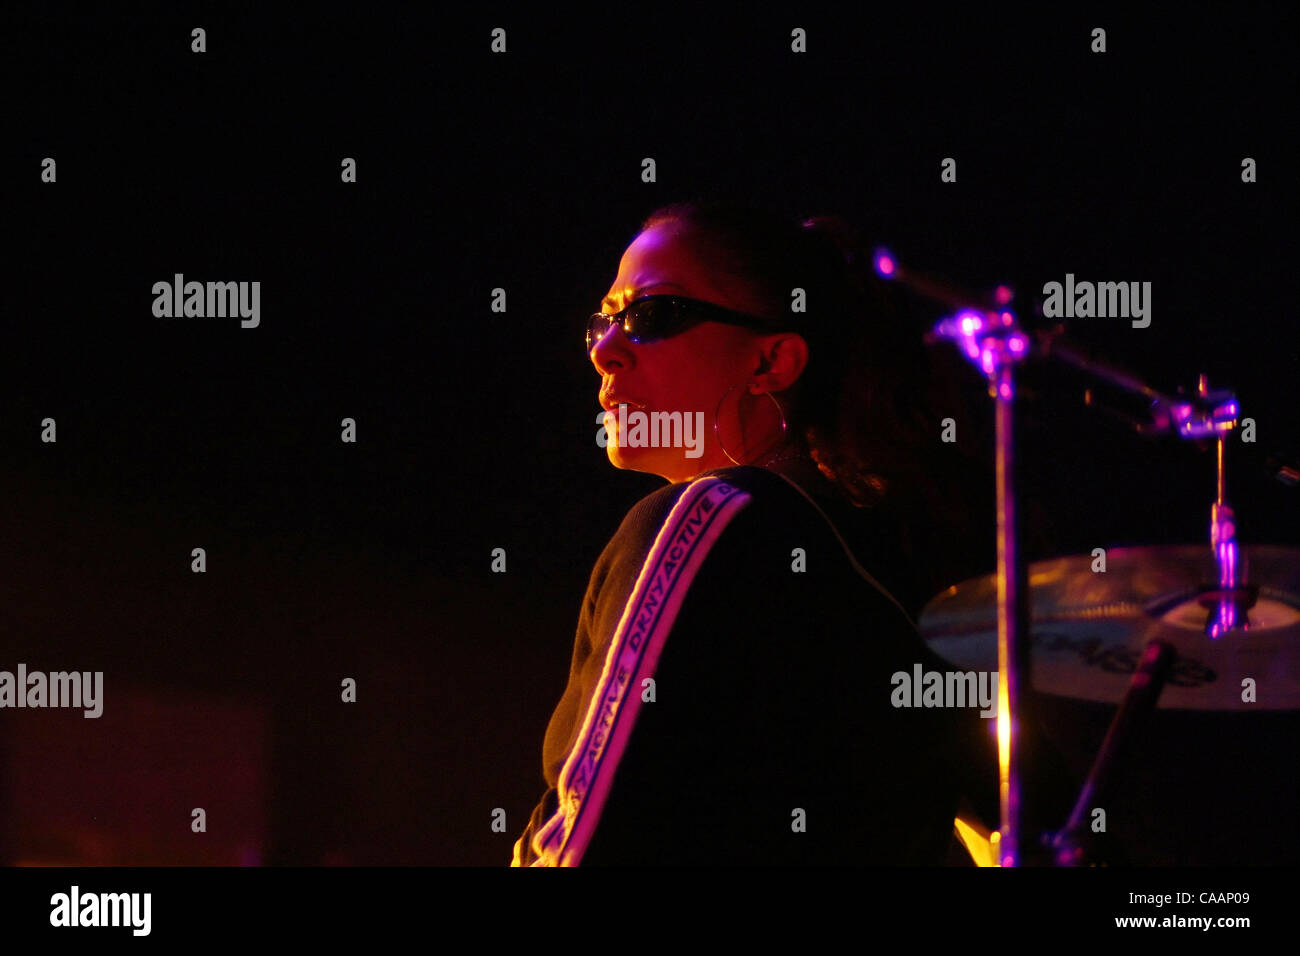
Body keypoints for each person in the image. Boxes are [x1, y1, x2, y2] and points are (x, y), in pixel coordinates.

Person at [511, 197, 1002, 866]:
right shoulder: (892, 582)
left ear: (771, 362)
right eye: (603, 320)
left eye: (651, 314)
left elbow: (586, 847)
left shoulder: (716, 517)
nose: (606, 348)